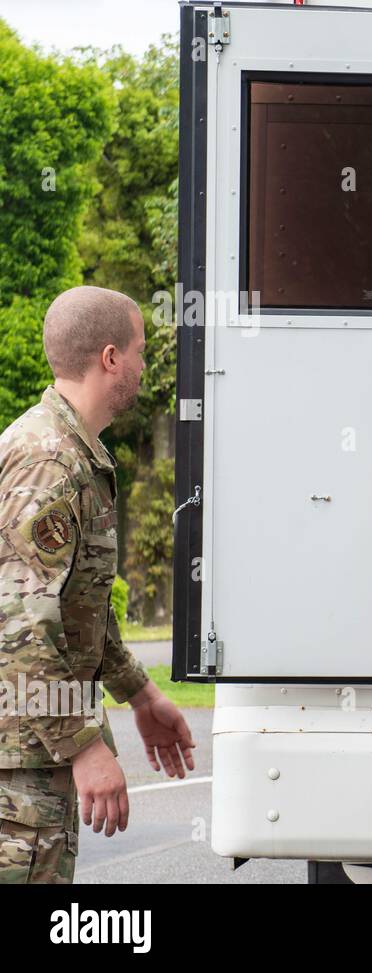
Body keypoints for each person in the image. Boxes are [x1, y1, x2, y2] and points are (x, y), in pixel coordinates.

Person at [0, 286, 196, 884]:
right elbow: (20, 623)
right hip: (23, 768)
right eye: (138, 350)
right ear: (110, 357)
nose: (144, 365)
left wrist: (138, 692)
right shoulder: (50, 461)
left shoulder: (75, 454)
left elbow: (75, 608)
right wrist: (84, 746)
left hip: (35, 758)